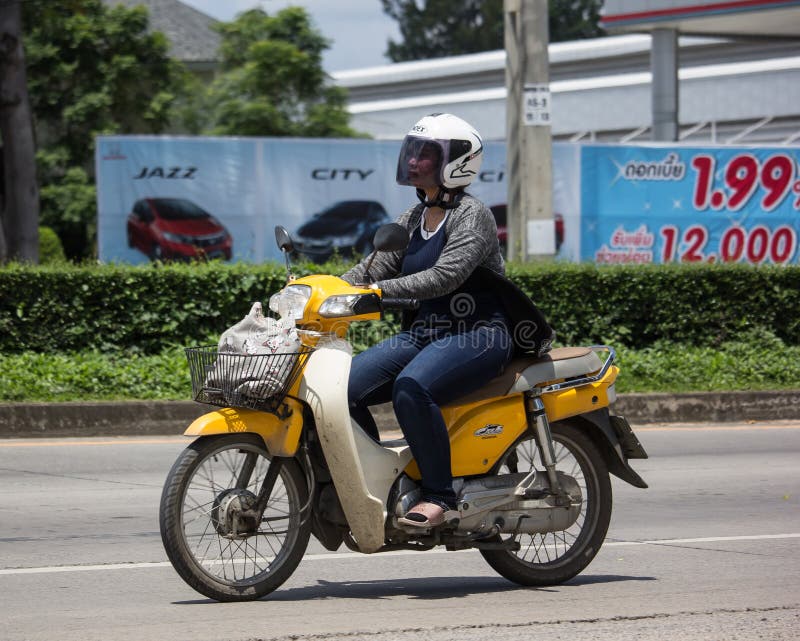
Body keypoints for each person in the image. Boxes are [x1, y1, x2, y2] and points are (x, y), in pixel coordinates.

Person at [342, 113, 553, 528]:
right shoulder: (411, 218)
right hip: (426, 334)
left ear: (458, 161)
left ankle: (440, 494)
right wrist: (318, 291)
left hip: (479, 335)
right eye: (414, 152)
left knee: (412, 387)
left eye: (427, 154)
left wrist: (377, 294)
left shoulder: (473, 215)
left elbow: (444, 278)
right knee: (341, 390)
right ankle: (373, 480)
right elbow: (369, 272)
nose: (415, 161)